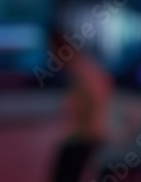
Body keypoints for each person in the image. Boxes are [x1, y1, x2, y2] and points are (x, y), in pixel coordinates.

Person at [48, 31, 114, 182]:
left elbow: (96, 100)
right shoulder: (83, 68)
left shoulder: (82, 71)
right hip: (86, 135)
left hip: (86, 136)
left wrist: (84, 118)